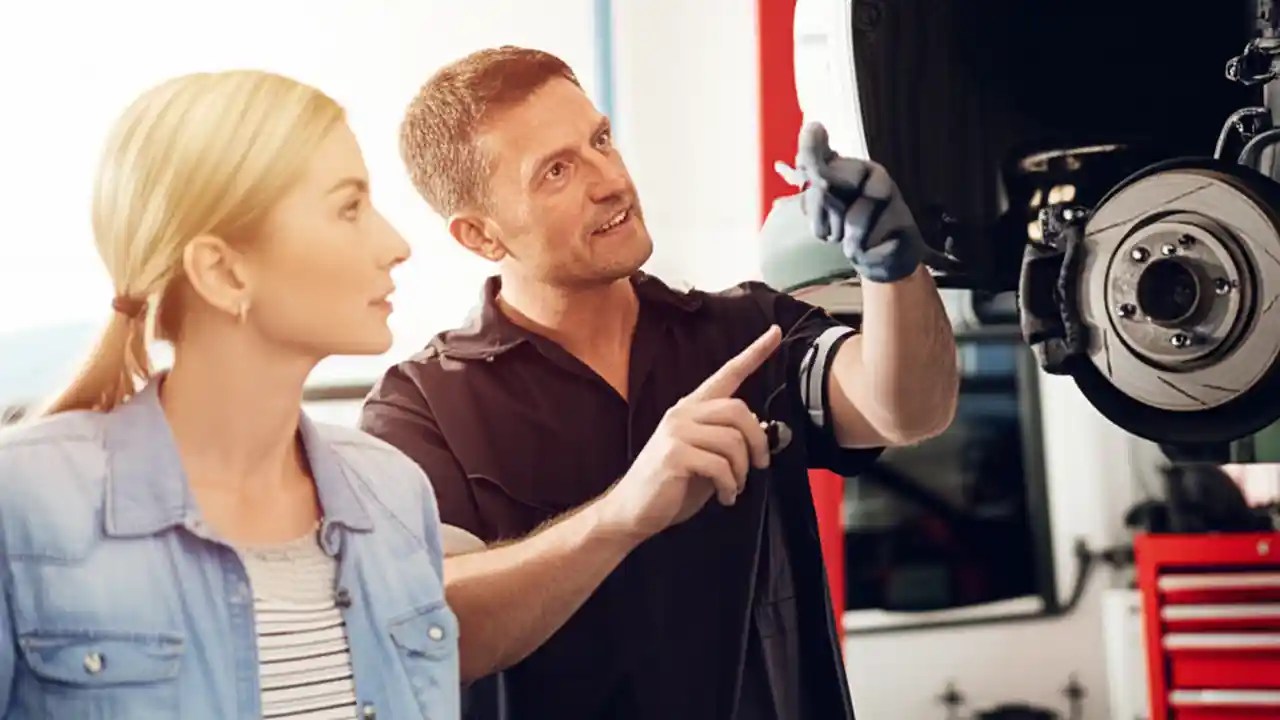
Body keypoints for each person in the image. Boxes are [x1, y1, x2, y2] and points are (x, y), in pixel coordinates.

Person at [361, 46, 959, 720]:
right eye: (556, 172)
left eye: (601, 141)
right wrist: (622, 515)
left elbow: (909, 409)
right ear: (480, 236)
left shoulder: (746, 330)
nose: (609, 180)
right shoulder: (420, 409)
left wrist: (893, 272)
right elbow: (438, 627)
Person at [0, 70, 459, 719]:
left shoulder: (395, 494)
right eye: (349, 207)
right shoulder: (22, 499)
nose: (396, 244)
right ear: (223, 270)